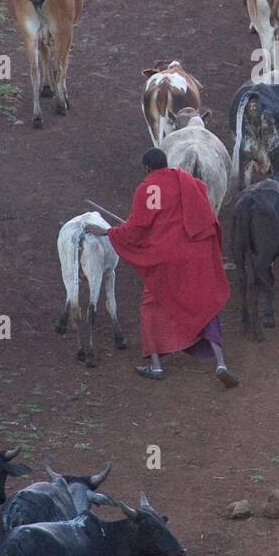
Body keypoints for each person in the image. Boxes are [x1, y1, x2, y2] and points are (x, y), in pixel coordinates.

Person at [83, 149, 238, 387]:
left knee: (152, 304)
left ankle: (156, 366)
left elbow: (135, 229)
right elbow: (205, 215)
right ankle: (220, 363)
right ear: (167, 163)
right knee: (205, 303)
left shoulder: (147, 188)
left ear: (147, 168)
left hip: (166, 259)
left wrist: (108, 231)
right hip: (195, 254)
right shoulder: (187, 180)